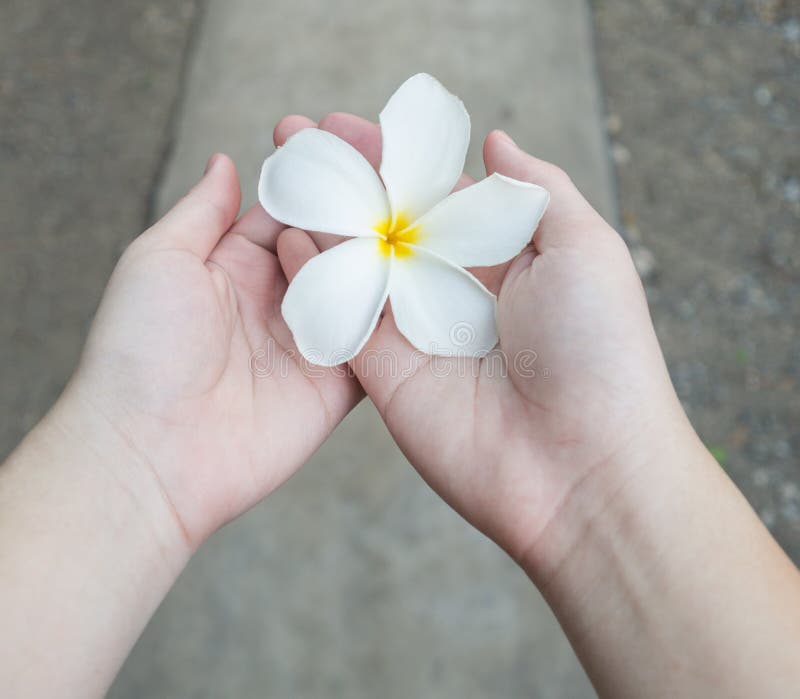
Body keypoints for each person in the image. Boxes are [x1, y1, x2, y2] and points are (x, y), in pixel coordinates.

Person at [1, 111, 798, 699]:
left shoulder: (451, 262)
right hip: (381, 245)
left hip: (406, 253)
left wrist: (127, 456)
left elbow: (472, 307)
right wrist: (133, 448)